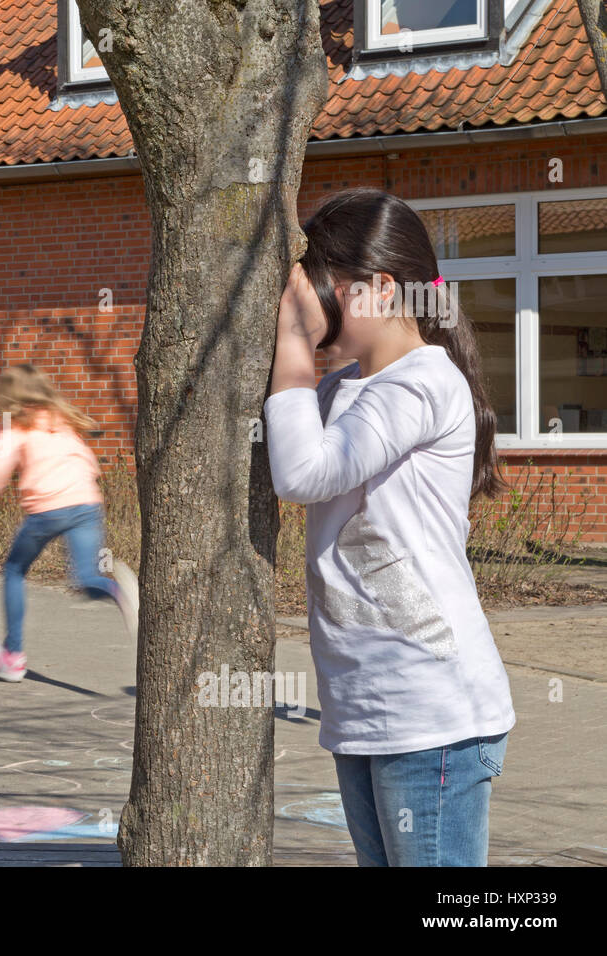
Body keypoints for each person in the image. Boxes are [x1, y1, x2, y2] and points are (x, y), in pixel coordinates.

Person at [266, 187, 515, 866]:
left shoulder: (424, 383)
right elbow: (282, 452)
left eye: (325, 293)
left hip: (432, 712)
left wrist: (291, 342)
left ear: (379, 289)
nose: (313, 313)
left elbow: (304, 475)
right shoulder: (340, 388)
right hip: (365, 709)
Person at [0, 364, 138, 682]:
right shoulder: (62, 419)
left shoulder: (16, 428)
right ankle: (116, 589)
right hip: (87, 504)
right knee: (85, 579)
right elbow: (86, 461)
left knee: (14, 570)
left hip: (48, 510)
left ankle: (12, 656)